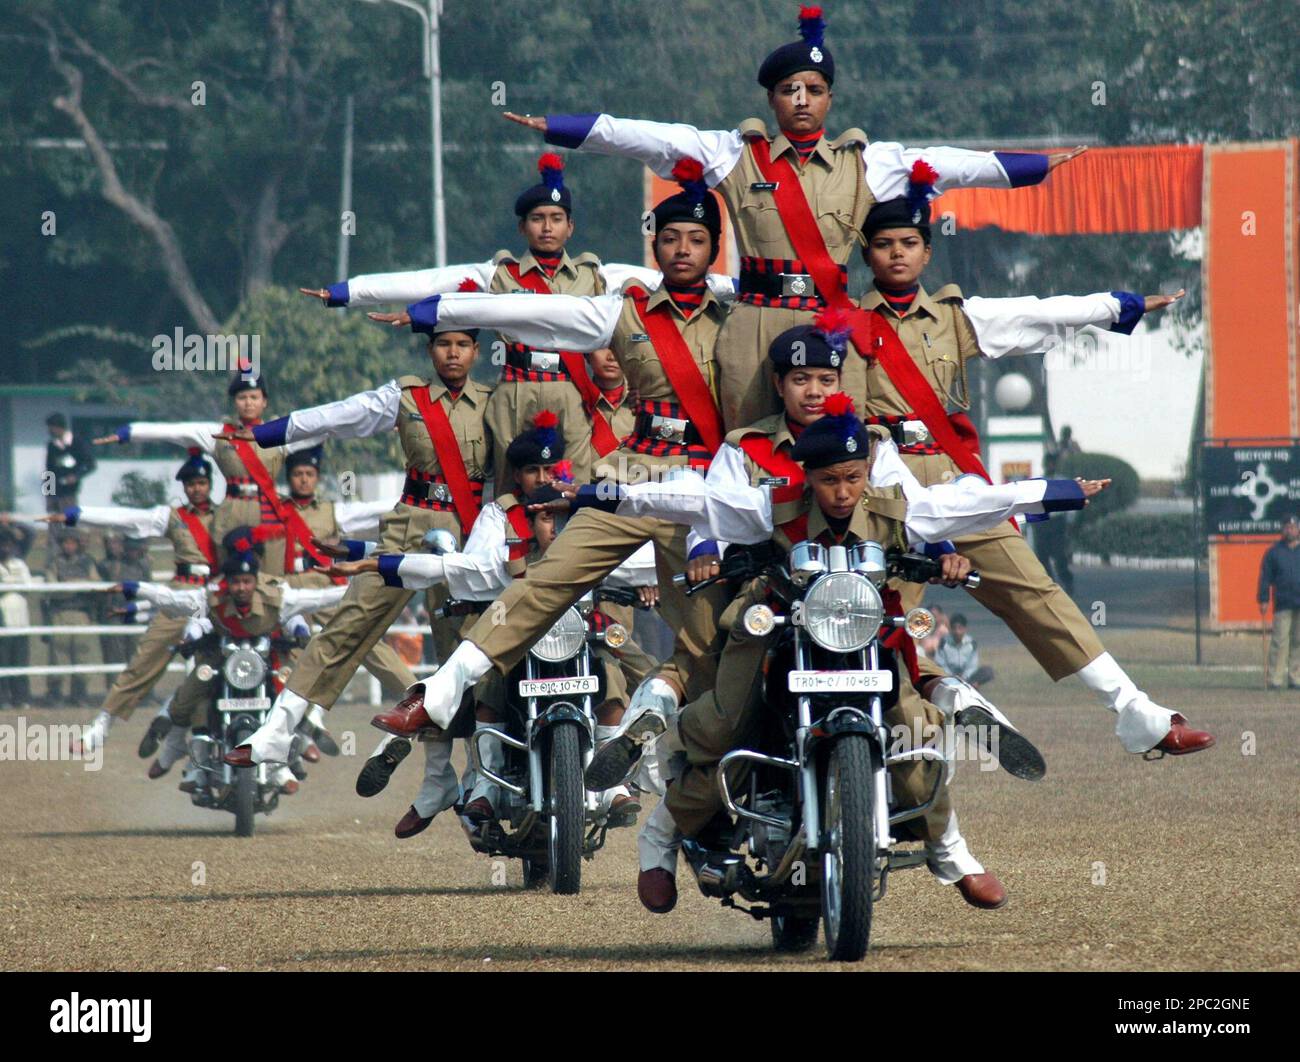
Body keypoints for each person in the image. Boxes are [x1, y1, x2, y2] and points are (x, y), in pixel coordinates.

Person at [503, 5, 1081, 431]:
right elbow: (652, 138)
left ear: (830, 99)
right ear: (771, 100)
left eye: (814, 89)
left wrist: (1034, 166)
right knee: (750, 446)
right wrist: (560, 128)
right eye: (789, 89)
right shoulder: (734, 153)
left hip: (831, 323)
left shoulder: (867, 163)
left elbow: (950, 165)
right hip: (753, 322)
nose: (802, 99)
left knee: (842, 447)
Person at [835, 170, 1211, 759]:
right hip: (883, 488)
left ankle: (1138, 713)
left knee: (1036, 591)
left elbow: (1036, 313)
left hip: (954, 480)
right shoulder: (846, 328)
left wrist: (1120, 306)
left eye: (909, 243)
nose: (897, 254)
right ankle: (937, 701)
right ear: (867, 255)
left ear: (927, 253)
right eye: (883, 245)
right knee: (875, 614)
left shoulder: (955, 318)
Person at [364, 170, 744, 744]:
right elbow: (530, 315)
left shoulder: (738, 319)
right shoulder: (622, 311)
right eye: (670, 239)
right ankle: (441, 690)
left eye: (695, 239)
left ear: (713, 248)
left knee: (710, 633)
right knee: (547, 579)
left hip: (705, 481)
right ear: (655, 248)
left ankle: (664, 730)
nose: (682, 250)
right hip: (633, 470)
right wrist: (434, 314)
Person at [218, 320, 493, 768]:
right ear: (430, 351)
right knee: (347, 625)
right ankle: (276, 731)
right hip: (408, 526)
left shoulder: (494, 402)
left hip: (469, 532)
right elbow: (341, 415)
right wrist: (272, 433)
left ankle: (447, 776)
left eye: (463, 344)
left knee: (460, 653)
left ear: (477, 352)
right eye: (443, 344)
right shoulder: (406, 396)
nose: (453, 353)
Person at [116, 550, 346, 791]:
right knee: (193, 689)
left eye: (247, 581)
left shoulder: (276, 592)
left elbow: (313, 601)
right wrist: (187, 635)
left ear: (255, 579)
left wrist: (301, 631)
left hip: (264, 658)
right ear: (228, 580)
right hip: (223, 657)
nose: (241, 588)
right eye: (236, 582)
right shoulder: (213, 596)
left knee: (295, 682)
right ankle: (170, 732)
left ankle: (307, 729)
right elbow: (179, 604)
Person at [37, 453, 218, 754]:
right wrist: (76, 515)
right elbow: (125, 517)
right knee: (144, 659)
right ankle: (101, 726)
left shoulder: (227, 516)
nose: (196, 489)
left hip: (216, 595)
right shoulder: (172, 517)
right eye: (191, 484)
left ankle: (183, 731)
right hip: (181, 591)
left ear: (210, 485)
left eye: (201, 483)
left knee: (216, 666)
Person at [93, 375, 327, 564]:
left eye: (254, 397)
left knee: (271, 580)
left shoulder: (280, 431)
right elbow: (175, 431)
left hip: (269, 511)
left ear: (264, 401)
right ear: (234, 402)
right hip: (232, 510)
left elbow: (320, 427)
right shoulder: (217, 433)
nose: (248, 402)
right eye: (242, 397)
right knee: (231, 574)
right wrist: (129, 433)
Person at [42, 529, 100, 705]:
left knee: (82, 653)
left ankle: (79, 694)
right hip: (61, 612)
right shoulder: (54, 563)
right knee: (58, 655)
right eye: (66, 543)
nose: (69, 546)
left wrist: (71, 584)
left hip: (82, 613)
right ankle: (55, 693)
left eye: (72, 542)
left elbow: (96, 584)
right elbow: (53, 589)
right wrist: (79, 586)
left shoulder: (87, 562)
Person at [1257, 513, 1300, 689]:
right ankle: (1275, 679)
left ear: (1298, 529)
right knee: (1279, 641)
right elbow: (1265, 577)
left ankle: (1296, 678)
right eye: (1287, 527)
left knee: (1298, 642)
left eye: (1293, 527)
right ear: (1283, 529)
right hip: (1283, 602)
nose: (1290, 530)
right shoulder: (1274, 552)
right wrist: (1263, 598)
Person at [0, 526, 34, 707]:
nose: (5, 548)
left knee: (20, 661)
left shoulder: (20, 564)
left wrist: (8, 584)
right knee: (2, 661)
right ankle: (3, 698)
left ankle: (21, 698)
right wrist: (14, 584)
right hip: (2, 622)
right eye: (2, 544)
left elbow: (28, 585)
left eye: (8, 544)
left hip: (20, 620)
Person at [44, 413, 96, 513]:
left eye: (51, 428)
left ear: (59, 428)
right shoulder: (52, 445)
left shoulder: (77, 443)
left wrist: (76, 476)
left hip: (70, 493)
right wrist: (48, 493)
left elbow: (90, 464)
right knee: (54, 519)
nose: (49, 431)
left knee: (69, 518)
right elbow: (49, 469)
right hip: (55, 493)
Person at [934, 613, 993, 689]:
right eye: (954, 628)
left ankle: (971, 685)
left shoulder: (971, 643)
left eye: (960, 628)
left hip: (966, 677)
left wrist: (964, 677)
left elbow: (972, 665)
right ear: (950, 629)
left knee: (988, 671)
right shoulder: (944, 643)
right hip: (948, 676)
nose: (957, 631)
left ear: (965, 629)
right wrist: (952, 676)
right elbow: (941, 664)